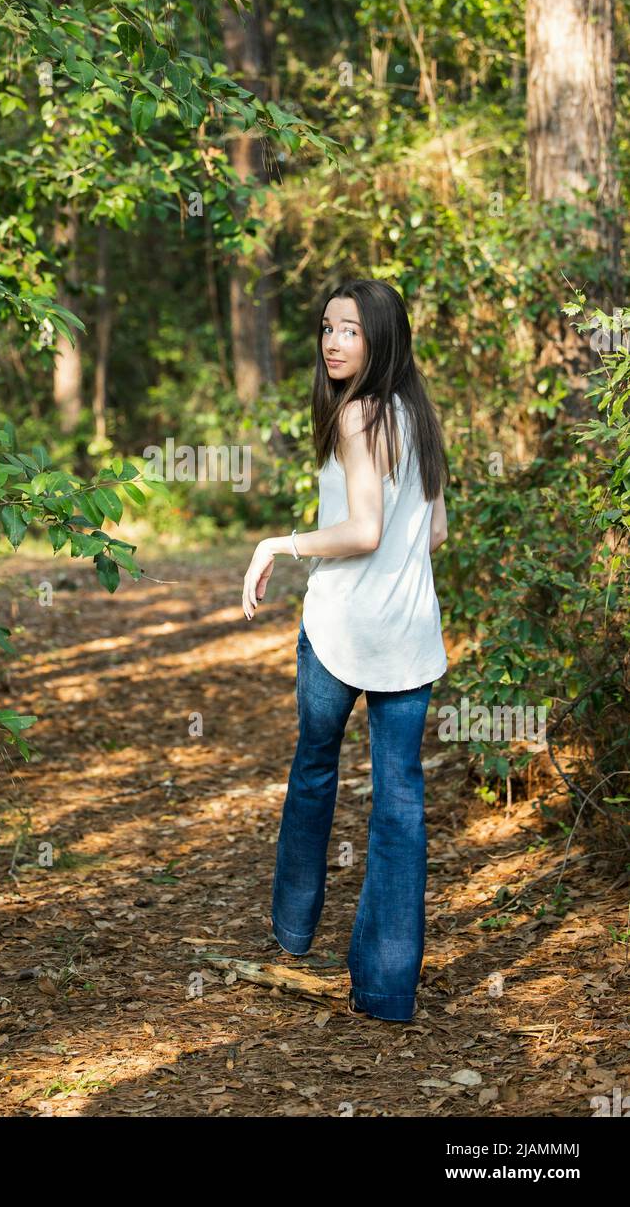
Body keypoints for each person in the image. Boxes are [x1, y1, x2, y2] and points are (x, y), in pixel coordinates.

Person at [241, 278, 449, 1023]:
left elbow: (362, 530)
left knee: (314, 769)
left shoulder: (359, 415)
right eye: (326, 328)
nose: (332, 342)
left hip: (338, 631)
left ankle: (294, 930)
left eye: (350, 330)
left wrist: (281, 541)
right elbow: (432, 532)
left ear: (381, 337)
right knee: (399, 803)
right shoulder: (419, 417)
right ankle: (388, 992)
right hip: (410, 638)